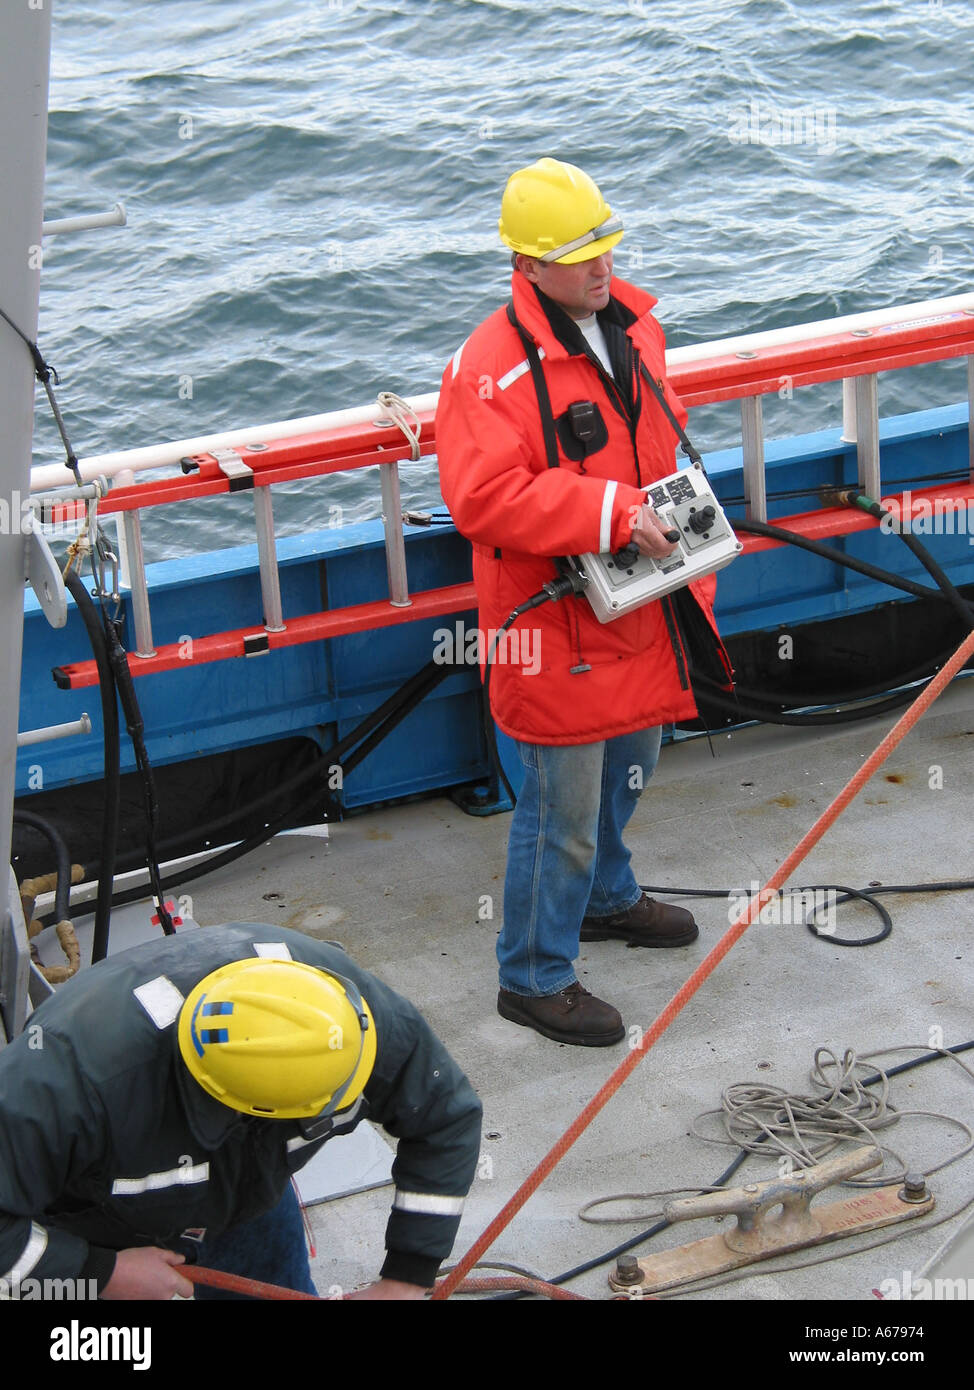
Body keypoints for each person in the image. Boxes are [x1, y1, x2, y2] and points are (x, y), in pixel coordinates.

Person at [436, 157, 731, 1048]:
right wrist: (609, 512)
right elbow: (480, 498)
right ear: (527, 265)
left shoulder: (637, 328)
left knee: (635, 760)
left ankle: (606, 899)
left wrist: (663, 512)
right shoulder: (487, 370)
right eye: (580, 253)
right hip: (556, 622)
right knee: (558, 812)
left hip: (641, 600)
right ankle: (533, 976)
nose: (602, 265)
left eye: (607, 243)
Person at [0, 922, 482, 1300]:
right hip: (92, 1227)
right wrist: (99, 1274)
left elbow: (446, 1117)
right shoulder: (69, 1080)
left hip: (247, 1201)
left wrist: (406, 1278)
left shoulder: (350, 1021)